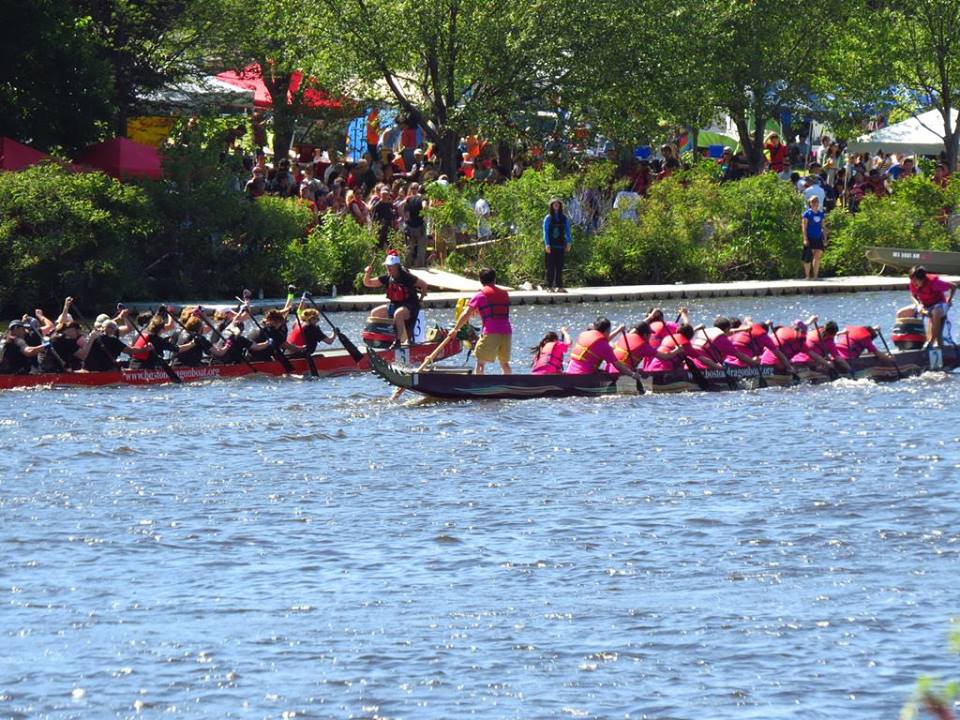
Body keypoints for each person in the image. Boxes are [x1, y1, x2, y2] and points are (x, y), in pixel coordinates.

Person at [447, 267, 512, 374]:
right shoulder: (505, 294)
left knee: (480, 363)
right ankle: (508, 386)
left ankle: (479, 385)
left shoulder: (480, 295)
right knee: (505, 364)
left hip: (491, 332)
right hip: (507, 332)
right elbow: (493, 307)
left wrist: (455, 329)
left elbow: (466, 313)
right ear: (494, 279)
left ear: (481, 281)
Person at [363, 251, 428, 347]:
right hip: (395, 305)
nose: (388, 268)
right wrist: (368, 273)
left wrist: (421, 299)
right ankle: (380, 341)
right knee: (375, 312)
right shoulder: (387, 277)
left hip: (410, 306)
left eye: (391, 266)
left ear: (397, 266)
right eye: (387, 266)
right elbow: (368, 283)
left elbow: (424, 285)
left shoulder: (406, 277)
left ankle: (398, 342)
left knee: (398, 313)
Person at [565, 317, 643, 379]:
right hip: (584, 375)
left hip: (569, 371)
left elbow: (602, 341)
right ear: (607, 331)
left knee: (602, 371)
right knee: (605, 374)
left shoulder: (584, 334)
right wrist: (632, 374)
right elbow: (618, 365)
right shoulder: (604, 346)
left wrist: (618, 330)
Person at [899, 265, 957, 348]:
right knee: (901, 313)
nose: (913, 283)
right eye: (912, 280)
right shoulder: (913, 283)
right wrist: (918, 305)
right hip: (924, 305)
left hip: (939, 305)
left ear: (923, 279)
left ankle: (932, 340)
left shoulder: (935, 283)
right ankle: (903, 342)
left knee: (935, 312)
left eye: (916, 281)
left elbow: (953, 286)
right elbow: (912, 295)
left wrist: (949, 300)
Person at [645, 324, 721, 373]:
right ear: (690, 336)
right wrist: (718, 367)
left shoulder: (668, 337)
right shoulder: (685, 345)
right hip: (663, 370)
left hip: (651, 368)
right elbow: (704, 360)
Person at [612, 321, 684, 371]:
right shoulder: (644, 346)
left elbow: (636, 329)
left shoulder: (626, 336)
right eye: (649, 334)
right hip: (622, 373)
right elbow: (665, 356)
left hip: (610, 369)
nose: (650, 337)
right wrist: (677, 350)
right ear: (644, 335)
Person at [693, 317, 761, 369]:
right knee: (734, 366)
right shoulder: (720, 338)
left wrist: (743, 329)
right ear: (726, 329)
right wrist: (753, 363)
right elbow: (740, 356)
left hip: (693, 363)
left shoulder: (707, 331)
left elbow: (730, 332)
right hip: (705, 366)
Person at [729, 321, 795, 374]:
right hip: (743, 360)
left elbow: (748, 320)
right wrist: (789, 367)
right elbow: (778, 353)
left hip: (730, 359)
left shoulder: (745, 330)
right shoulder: (764, 336)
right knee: (759, 359)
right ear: (766, 332)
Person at [543, 198, 572, 293]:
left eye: (558, 204)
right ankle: (549, 286)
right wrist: (547, 244)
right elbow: (545, 232)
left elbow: (567, 230)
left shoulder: (563, 218)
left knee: (559, 267)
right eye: (554, 204)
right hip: (551, 246)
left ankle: (559, 286)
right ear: (551, 206)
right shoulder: (548, 218)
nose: (556, 205)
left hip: (560, 245)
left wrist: (569, 242)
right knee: (550, 267)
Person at [802, 195, 827, 280]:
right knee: (807, 257)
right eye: (813, 202)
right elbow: (804, 227)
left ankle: (816, 276)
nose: (815, 203)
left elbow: (823, 226)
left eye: (816, 201)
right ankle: (807, 276)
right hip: (809, 237)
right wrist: (805, 238)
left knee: (817, 257)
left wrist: (825, 238)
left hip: (818, 237)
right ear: (810, 203)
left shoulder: (821, 214)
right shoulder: (807, 214)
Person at [402, 183, 427, 267]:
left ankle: (407, 265)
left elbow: (404, 211)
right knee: (421, 246)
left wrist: (406, 221)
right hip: (420, 226)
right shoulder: (421, 198)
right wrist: (425, 212)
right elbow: (424, 206)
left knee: (409, 247)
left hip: (410, 226)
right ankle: (420, 265)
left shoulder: (408, 199)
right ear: (418, 189)